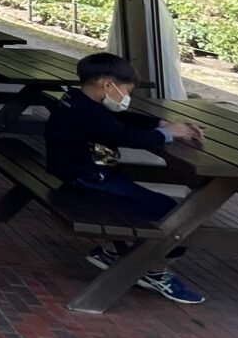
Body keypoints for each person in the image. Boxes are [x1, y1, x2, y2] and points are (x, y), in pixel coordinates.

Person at [44, 52, 206, 305]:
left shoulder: (76, 100)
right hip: (90, 179)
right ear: (108, 85)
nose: (126, 98)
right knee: (173, 216)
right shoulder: (87, 112)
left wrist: (161, 123)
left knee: (149, 204)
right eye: (126, 91)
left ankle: (110, 252)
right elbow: (128, 137)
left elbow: (120, 120)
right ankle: (155, 271)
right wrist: (167, 134)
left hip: (79, 174)